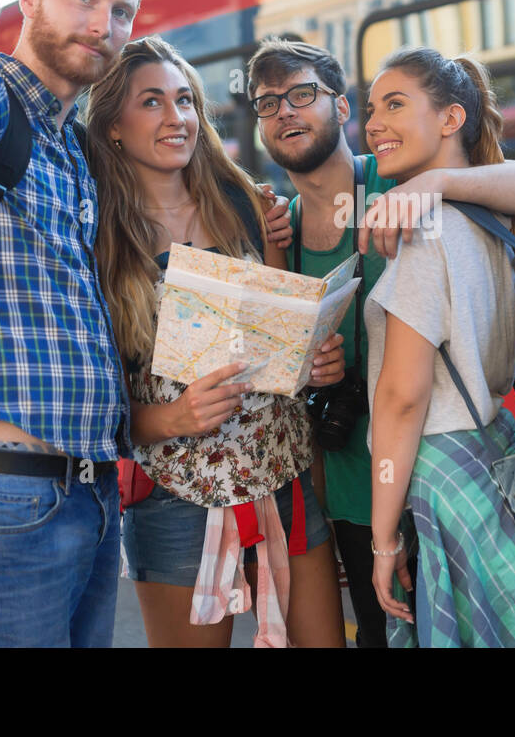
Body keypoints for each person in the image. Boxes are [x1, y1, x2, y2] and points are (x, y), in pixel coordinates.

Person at [0, 0, 291, 648]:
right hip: (8, 491)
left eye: (120, 10)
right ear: (31, 0)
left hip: (89, 491)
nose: (103, 23)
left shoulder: (71, 153)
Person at [247, 37, 515, 647]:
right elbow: (274, 366)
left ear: (337, 108)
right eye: (267, 103)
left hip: (414, 475)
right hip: (352, 481)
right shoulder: (279, 224)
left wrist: (436, 184)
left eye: (302, 94)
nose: (285, 111)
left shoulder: (400, 188)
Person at [86, 36, 346, 647]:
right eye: (151, 103)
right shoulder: (97, 241)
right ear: (115, 127)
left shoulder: (251, 207)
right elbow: (95, 407)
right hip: (177, 498)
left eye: (184, 101)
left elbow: (288, 345)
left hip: (284, 473)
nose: (176, 119)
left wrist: (316, 360)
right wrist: (171, 415)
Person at [362, 48, 515, 647]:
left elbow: (403, 398)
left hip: (442, 474)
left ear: (451, 119)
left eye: (395, 104)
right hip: (492, 459)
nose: (373, 122)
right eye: (371, 108)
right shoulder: (502, 223)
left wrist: (384, 542)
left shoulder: (427, 234)